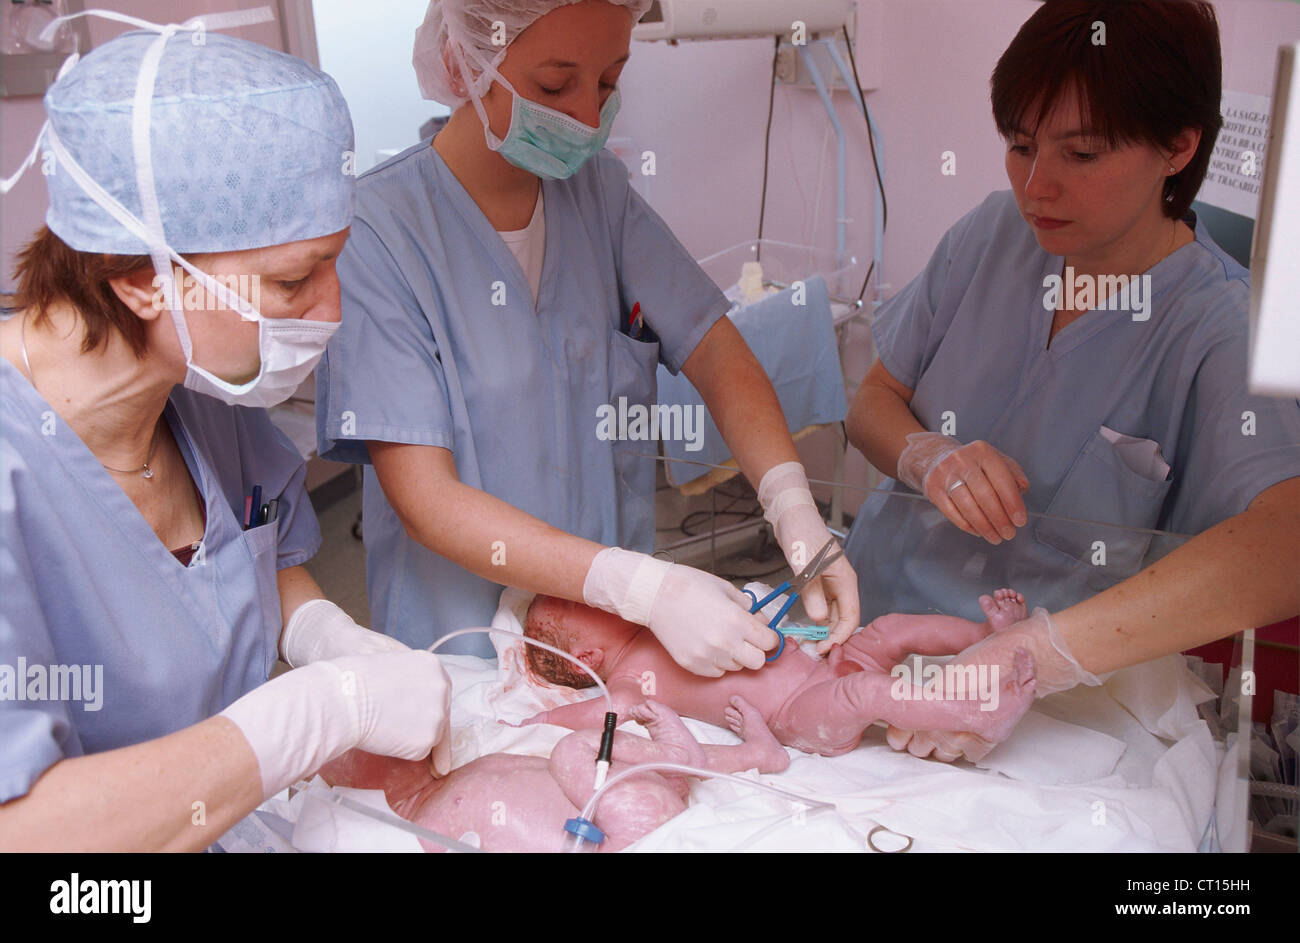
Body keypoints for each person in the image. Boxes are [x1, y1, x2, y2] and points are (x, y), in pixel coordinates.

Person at [0, 14, 451, 851]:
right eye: (292, 280)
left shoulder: (196, 387)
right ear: (143, 279)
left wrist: (323, 635)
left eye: (334, 261)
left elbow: (253, 555)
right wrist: (316, 712)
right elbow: (23, 830)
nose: (333, 309)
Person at [315, 0, 860, 672]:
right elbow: (427, 500)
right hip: (459, 647)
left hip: (606, 639)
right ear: (463, 63)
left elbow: (716, 349)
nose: (584, 116)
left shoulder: (598, 192)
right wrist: (644, 588)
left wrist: (792, 505)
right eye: (553, 85)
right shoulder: (378, 233)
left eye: (607, 82)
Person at [841, 0, 1299, 760]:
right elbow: (872, 404)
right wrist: (928, 456)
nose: (1036, 188)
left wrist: (1036, 654)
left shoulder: (1219, 327)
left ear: (1178, 146)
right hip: (865, 626)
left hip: (1052, 710)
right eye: (1020, 146)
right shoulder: (991, 235)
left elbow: (1283, 545)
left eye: (1081, 155)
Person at [516, 592, 1038, 756]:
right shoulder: (630, 675)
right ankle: (976, 716)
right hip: (798, 714)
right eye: (577, 603)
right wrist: (540, 721)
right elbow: (616, 709)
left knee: (889, 629)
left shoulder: (661, 621)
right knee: (865, 692)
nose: (591, 594)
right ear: (589, 656)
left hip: (823, 664)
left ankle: (985, 635)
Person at [320, 699, 790, 852]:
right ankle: (676, 758)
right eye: (367, 741)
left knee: (596, 755)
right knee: (573, 752)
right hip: (618, 836)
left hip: (631, 801)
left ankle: (755, 756)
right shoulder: (416, 830)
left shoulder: (463, 768)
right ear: (357, 788)